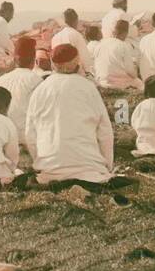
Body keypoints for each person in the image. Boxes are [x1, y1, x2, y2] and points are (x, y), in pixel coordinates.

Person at [24, 43, 114, 184]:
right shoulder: (88, 88)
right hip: (89, 171)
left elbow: (30, 135)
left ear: (53, 65)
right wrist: (107, 165)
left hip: (49, 172)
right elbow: (105, 132)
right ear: (77, 63)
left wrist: (41, 162)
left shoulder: (40, 90)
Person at [0, 36, 46, 151]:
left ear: (15, 60)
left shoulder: (1, 80)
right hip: (27, 138)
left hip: (4, 138)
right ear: (33, 60)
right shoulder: (36, 80)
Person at [95, 19, 143, 91]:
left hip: (101, 81)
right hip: (115, 83)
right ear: (125, 33)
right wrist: (136, 71)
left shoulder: (101, 43)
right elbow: (131, 72)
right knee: (140, 83)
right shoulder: (123, 45)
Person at [50, 9, 93, 75]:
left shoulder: (55, 37)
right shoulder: (76, 34)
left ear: (64, 21)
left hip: (58, 74)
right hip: (76, 75)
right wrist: (89, 73)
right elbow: (85, 59)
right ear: (76, 21)